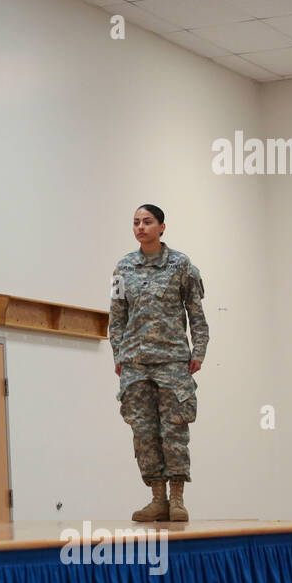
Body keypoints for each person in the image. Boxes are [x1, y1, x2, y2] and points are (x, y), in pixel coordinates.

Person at [108, 204, 209, 522]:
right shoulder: (123, 268)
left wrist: (199, 351)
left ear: (162, 227)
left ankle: (177, 499)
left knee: (174, 429)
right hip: (136, 362)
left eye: (147, 222)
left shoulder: (181, 265)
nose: (140, 227)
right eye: (136, 222)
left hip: (173, 361)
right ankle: (156, 498)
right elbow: (117, 316)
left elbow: (196, 313)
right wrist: (118, 355)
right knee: (143, 432)